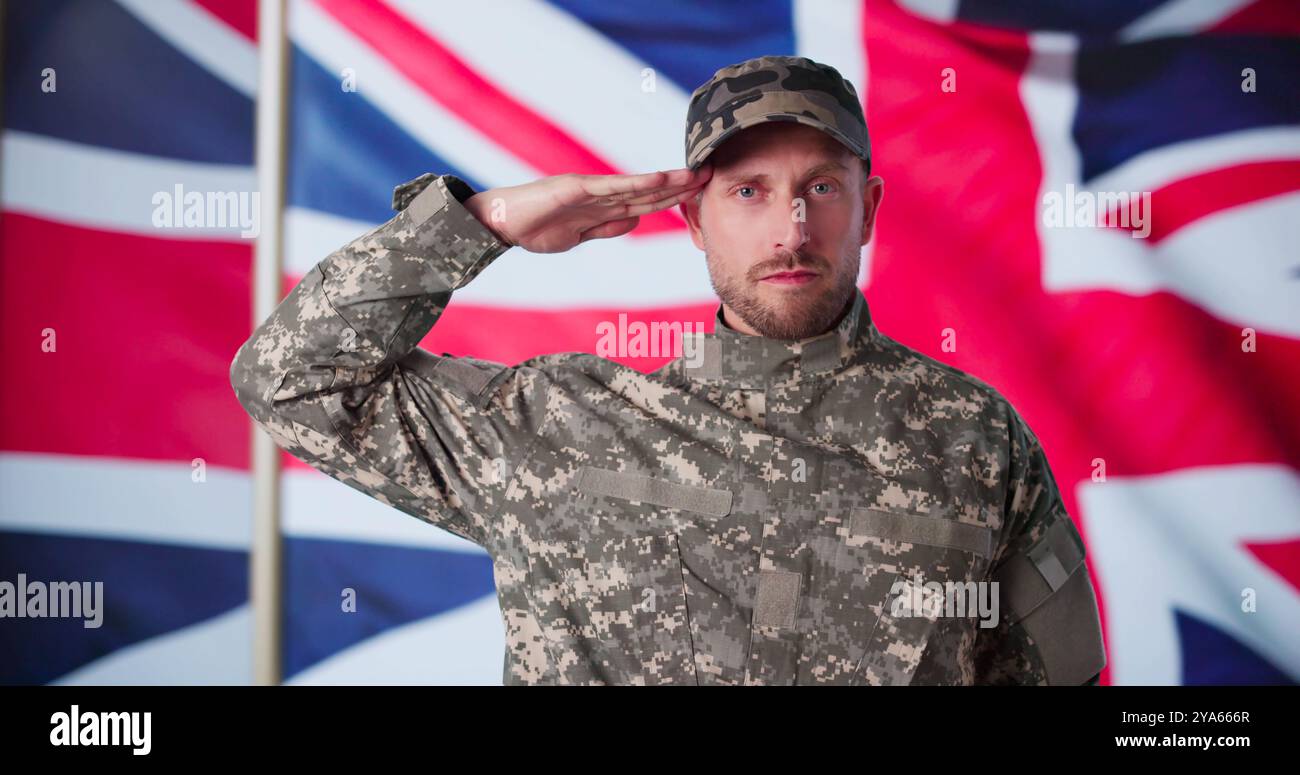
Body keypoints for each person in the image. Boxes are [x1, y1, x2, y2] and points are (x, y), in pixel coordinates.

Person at [230, 55, 1106, 685]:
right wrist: (483, 220)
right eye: (749, 191)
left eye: (822, 187)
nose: (792, 228)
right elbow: (290, 377)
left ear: (868, 207)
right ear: (694, 217)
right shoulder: (558, 423)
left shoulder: (976, 440)